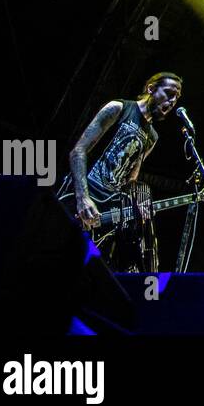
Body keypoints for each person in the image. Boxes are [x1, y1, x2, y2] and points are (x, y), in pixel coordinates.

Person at [57, 72, 183, 271]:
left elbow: (130, 181)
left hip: (103, 216)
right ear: (151, 89)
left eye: (176, 98)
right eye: (168, 93)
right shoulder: (119, 108)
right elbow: (78, 151)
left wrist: (137, 205)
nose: (172, 101)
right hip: (77, 200)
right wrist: (82, 197)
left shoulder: (152, 136)